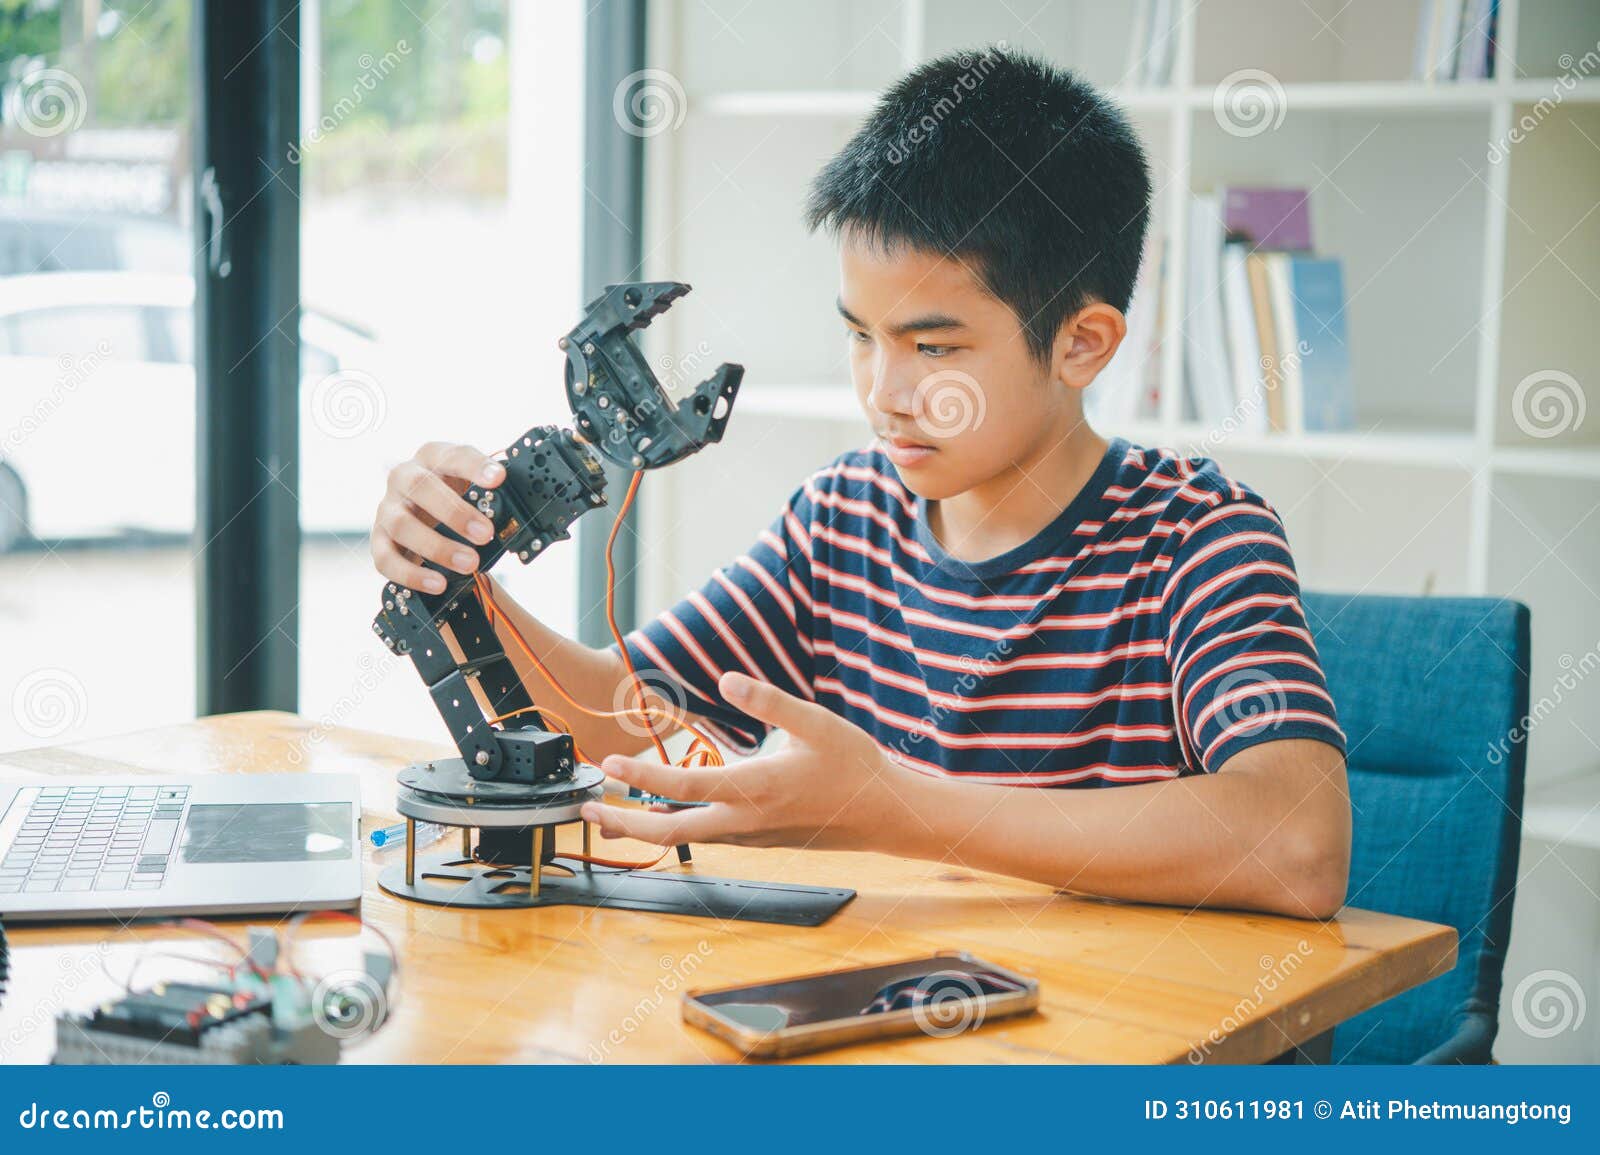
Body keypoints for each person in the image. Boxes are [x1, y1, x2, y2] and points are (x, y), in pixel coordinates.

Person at [370, 48, 1350, 919]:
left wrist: (888, 809)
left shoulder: (1196, 538)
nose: (884, 394)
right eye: (859, 335)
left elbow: (1298, 847)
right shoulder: (846, 517)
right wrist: (457, 577)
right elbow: (614, 717)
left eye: (933, 346)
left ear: (1081, 344)